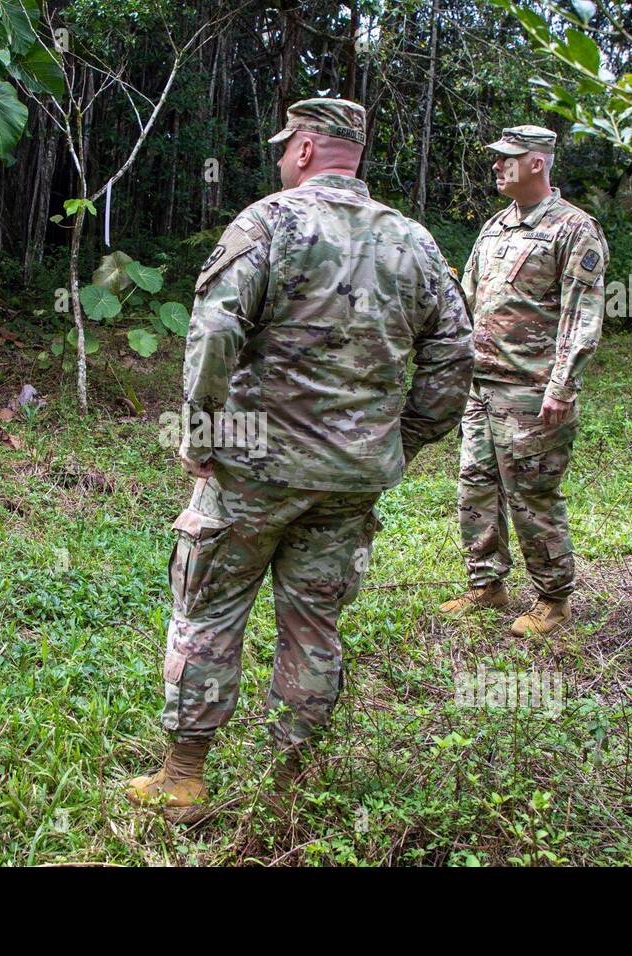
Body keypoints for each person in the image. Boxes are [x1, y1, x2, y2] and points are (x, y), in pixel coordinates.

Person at [125, 98, 474, 821]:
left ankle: (184, 778)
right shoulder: (414, 241)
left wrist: (200, 432)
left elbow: (214, 330)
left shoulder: (269, 223)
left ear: (308, 149)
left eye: (287, 146)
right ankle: (293, 785)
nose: (282, 158)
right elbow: (456, 354)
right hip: (351, 478)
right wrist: (403, 439)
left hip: (255, 467)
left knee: (210, 610)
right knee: (314, 625)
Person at [439, 125, 608, 635]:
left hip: (531, 391)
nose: (497, 165)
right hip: (481, 384)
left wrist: (562, 386)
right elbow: (467, 298)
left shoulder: (574, 229)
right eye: (496, 158)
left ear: (538, 162)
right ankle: (486, 583)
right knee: (476, 487)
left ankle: (553, 599)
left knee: (532, 494)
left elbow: (583, 315)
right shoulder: (494, 227)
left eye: (508, 158)